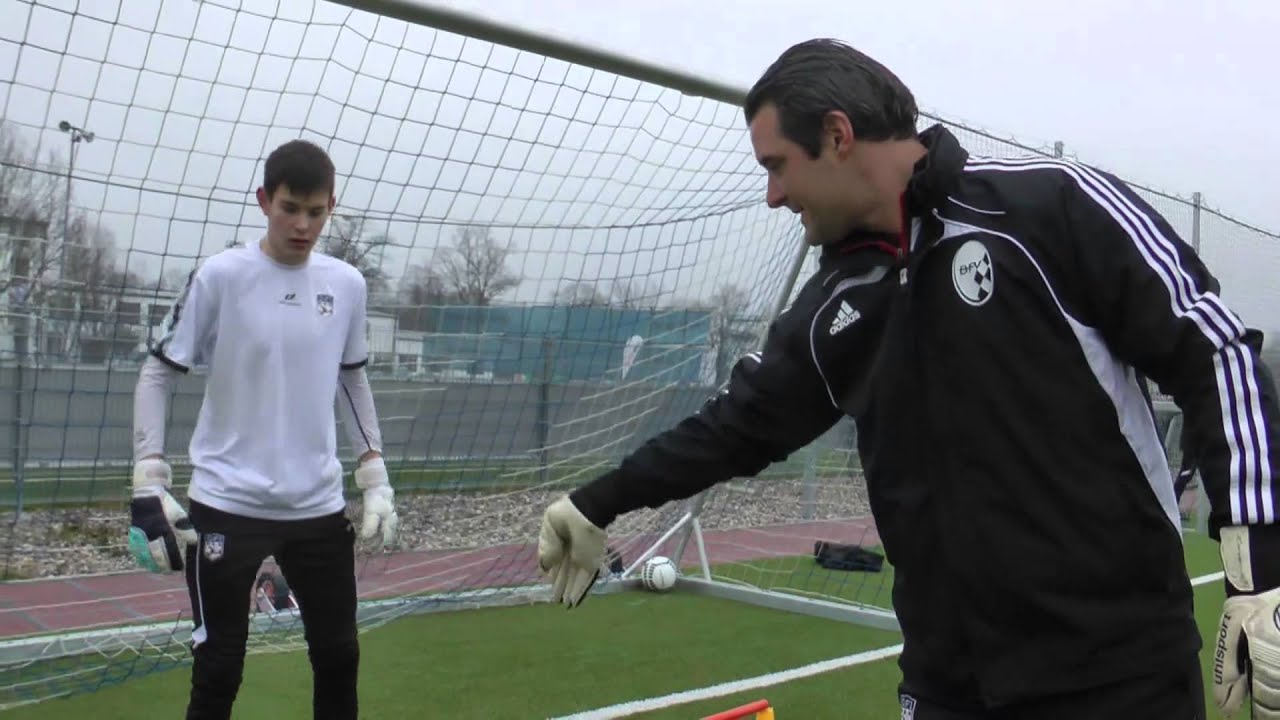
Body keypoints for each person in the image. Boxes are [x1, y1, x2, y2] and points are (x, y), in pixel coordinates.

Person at [536, 39, 1280, 719]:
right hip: (948, 685)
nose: (771, 195)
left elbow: (1217, 354)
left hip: (1115, 679)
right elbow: (738, 425)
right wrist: (600, 501)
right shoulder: (837, 300)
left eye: (776, 166)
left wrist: (1261, 566)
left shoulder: (1047, 207)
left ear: (836, 134)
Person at [126, 139, 400, 720]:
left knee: (339, 656)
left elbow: (353, 381)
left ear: (331, 206)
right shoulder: (221, 276)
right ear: (263, 202)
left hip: (317, 508)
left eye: (316, 212)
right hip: (227, 504)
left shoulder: (347, 285)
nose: (303, 225)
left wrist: (374, 476)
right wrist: (148, 480)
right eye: (289, 208)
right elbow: (157, 372)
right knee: (219, 667)